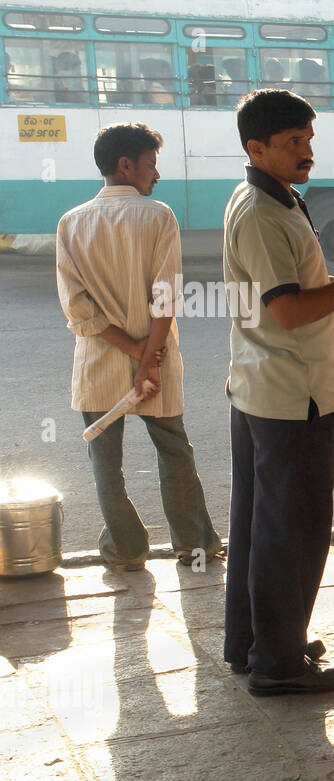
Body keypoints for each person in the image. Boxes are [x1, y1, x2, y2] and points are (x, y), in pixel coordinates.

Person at [222, 89, 334, 694]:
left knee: (260, 523)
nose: (308, 153)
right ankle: (278, 662)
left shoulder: (276, 199)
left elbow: (306, 289)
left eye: (309, 140)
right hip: (288, 395)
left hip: (266, 390)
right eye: (294, 143)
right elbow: (292, 311)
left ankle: (263, 641)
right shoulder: (262, 214)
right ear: (257, 148)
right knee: (290, 529)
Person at [56, 122, 223, 573]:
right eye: (151, 164)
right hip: (157, 361)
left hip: (97, 364)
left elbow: (78, 310)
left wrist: (130, 348)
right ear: (125, 165)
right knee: (174, 451)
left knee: (105, 463)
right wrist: (147, 358)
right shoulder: (157, 215)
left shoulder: (70, 223)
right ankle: (194, 547)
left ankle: (126, 550)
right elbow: (166, 295)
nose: (156, 174)